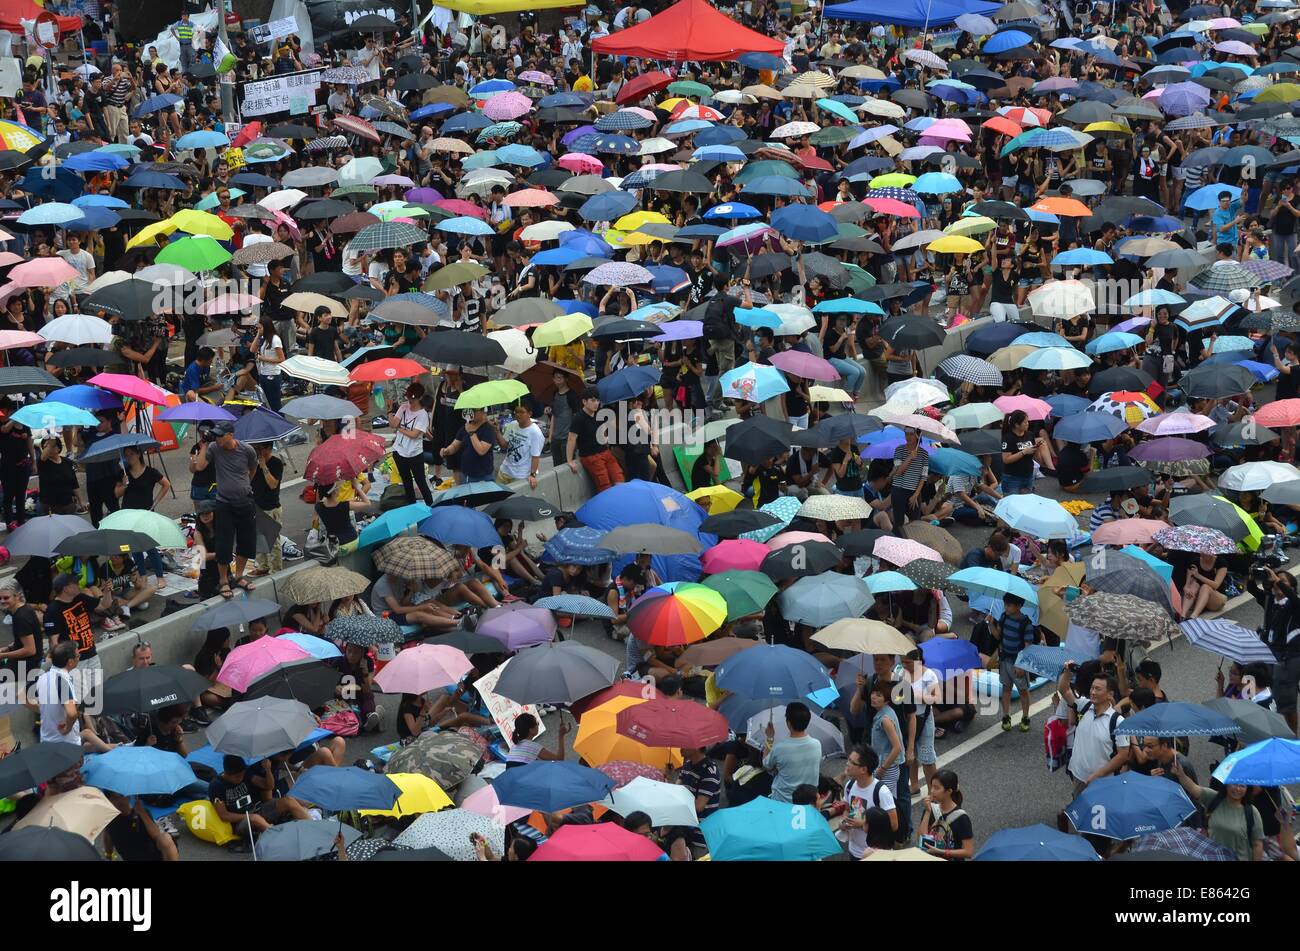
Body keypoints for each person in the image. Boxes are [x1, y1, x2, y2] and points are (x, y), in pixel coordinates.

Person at [188, 421, 259, 599]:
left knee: (246, 540)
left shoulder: (246, 450)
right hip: (224, 502)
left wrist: (243, 485)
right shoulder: (213, 448)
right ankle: (223, 581)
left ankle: (239, 575)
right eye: (216, 435)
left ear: (230, 435)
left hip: (244, 500)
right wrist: (204, 444)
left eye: (221, 435)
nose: (218, 438)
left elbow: (253, 469)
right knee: (224, 542)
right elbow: (199, 467)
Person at [1168, 757, 1264, 861]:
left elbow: (1257, 844)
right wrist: (1181, 774)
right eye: (1234, 783)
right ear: (1227, 784)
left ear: (1247, 789)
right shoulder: (1213, 798)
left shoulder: (1252, 812)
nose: (1237, 789)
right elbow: (1193, 788)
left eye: (1242, 786)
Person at [1057, 665, 1130, 799]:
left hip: (1102, 781)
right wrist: (1067, 671)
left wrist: (1097, 775)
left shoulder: (1118, 722)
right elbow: (1064, 689)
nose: (1093, 692)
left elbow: (1123, 755)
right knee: (1079, 815)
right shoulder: (1084, 705)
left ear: (1110, 694)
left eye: (1098, 689)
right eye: (1092, 688)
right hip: (1079, 776)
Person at [837, 746, 897, 859]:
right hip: (854, 850)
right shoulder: (849, 786)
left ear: (863, 769)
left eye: (852, 762)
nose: (847, 764)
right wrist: (844, 822)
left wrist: (863, 824)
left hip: (876, 854)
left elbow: (893, 825)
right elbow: (847, 810)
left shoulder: (881, 792)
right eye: (848, 759)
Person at [989, 593, 1038, 733]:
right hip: (1005, 659)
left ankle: (1025, 716)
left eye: (1009, 605)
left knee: (1023, 690)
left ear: (1019, 606)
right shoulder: (1004, 617)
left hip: (1017, 663)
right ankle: (1006, 716)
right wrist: (991, 623)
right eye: (1005, 604)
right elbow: (998, 635)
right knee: (1006, 688)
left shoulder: (1025, 623)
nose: (1006, 607)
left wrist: (1021, 664)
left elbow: (1028, 646)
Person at [761, 702, 823, 804]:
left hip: (783, 802)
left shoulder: (780, 748)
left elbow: (766, 765)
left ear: (788, 723)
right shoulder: (817, 744)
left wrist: (770, 737)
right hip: (808, 801)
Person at [390, 382, 434, 505]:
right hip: (399, 451)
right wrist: (389, 411)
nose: (410, 401)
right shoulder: (404, 407)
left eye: (413, 399)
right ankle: (412, 507)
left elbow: (414, 435)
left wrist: (399, 429)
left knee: (421, 481)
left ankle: (430, 507)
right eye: (408, 397)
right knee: (406, 481)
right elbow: (393, 424)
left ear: (420, 398)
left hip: (414, 453)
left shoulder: (423, 414)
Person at [917, 769, 974, 860]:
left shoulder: (961, 817)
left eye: (936, 788)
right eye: (931, 786)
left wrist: (940, 852)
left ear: (949, 791)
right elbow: (921, 839)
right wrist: (927, 813)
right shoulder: (931, 809)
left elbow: (968, 852)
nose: (931, 791)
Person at [250, 443, 285, 576]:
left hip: (271, 507)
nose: (257, 452)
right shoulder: (252, 463)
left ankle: (275, 569)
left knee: (272, 541)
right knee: (258, 539)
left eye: (260, 448)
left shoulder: (276, 463)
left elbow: (272, 484)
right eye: (255, 449)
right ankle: (263, 566)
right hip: (255, 505)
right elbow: (248, 480)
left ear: (269, 448)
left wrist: (264, 465)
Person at [499, 403, 544, 489]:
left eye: (521, 412)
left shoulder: (535, 432)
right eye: (516, 412)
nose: (517, 415)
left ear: (529, 414)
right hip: (504, 471)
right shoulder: (512, 425)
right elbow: (504, 445)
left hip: (520, 476)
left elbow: (536, 456)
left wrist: (532, 474)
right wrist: (496, 432)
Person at [0, 579, 41, 673]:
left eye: (6, 598)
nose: (2, 601)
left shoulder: (21, 618)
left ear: (17, 596)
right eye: (0, 598)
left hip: (26, 666)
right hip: (30, 661)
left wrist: (4, 655)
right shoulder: (25, 608)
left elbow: (30, 650)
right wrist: (8, 648)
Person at [503, 712, 567, 767]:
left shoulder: (513, 747)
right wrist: (561, 735)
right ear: (531, 730)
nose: (538, 725)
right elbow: (559, 759)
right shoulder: (534, 747)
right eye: (537, 723)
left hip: (511, 779)